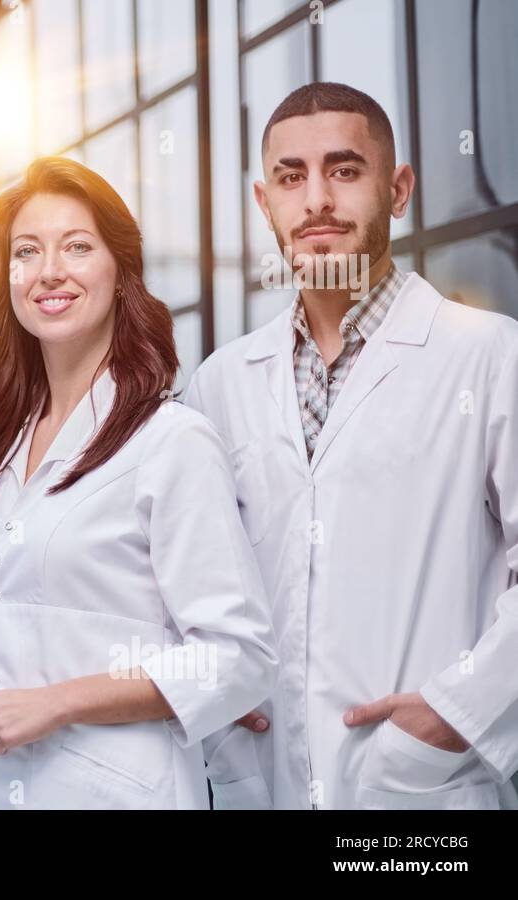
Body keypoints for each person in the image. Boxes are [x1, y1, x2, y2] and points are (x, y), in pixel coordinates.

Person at [186, 82, 518, 809]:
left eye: (344, 170)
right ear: (262, 201)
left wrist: (452, 717)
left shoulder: (490, 356)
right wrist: (213, 702)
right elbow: (186, 580)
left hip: (419, 795)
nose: (316, 202)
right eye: (290, 177)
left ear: (397, 189)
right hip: (260, 778)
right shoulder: (221, 383)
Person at [0, 157, 278, 809]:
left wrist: (58, 704)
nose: (49, 270)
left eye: (77, 247)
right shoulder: (5, 442)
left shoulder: (170, 442)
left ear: (121, 275)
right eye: (26, 251)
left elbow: (238, 657)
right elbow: (39, 618)